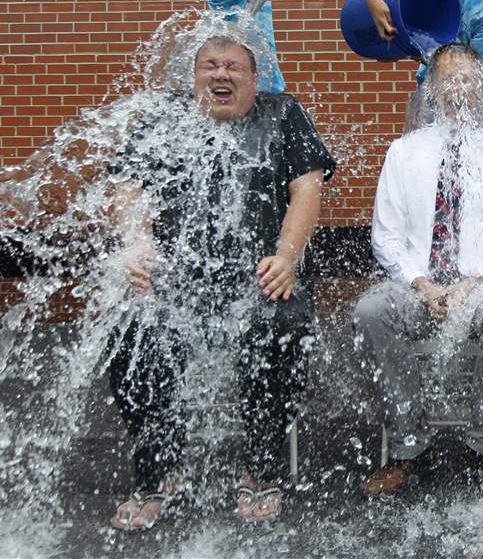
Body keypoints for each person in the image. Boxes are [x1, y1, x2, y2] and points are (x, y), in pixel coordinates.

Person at [107, 35, 334, 529]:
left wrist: (286, 256)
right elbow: (127, 186)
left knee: (280, 324)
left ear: (255, 79)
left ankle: (262, 465)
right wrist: (136, 244)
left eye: (232, 66)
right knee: (131, 328)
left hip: (260, 274)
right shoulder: (165, 119)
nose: (220, 75)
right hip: (177, 276)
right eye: (208, 66)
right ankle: (156, 469)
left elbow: (307, 187)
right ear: (193, 79)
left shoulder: (282, 114)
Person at [352, 44, 483, 495]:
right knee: (371, 311)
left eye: (466, 79)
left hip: (480, 288)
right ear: (431, 88)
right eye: (447, 79)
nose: (456, 88)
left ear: (481, 88)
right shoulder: (403, 152)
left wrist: (470, 287)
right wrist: (422, 285)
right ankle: (410, 447)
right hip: (417, 285)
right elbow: (386, 237)